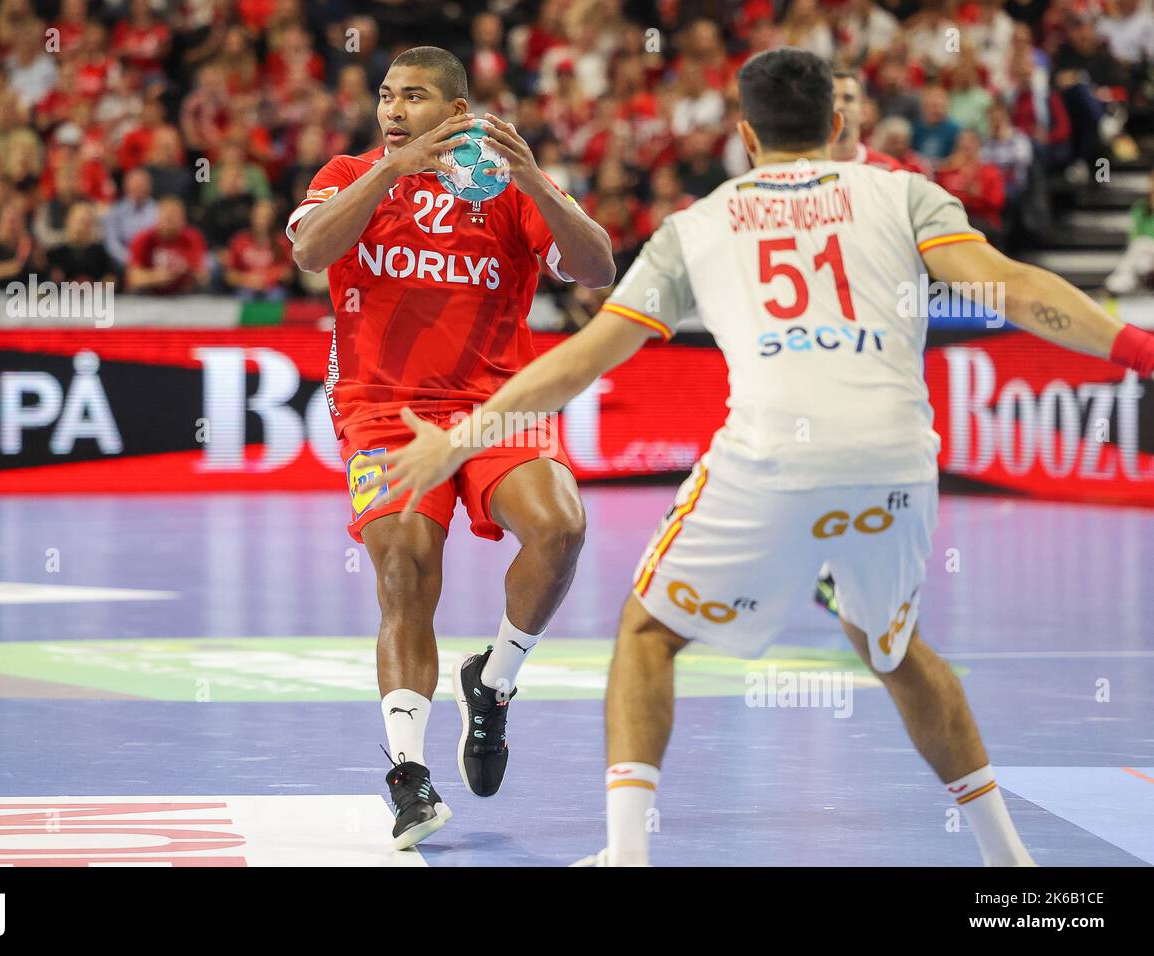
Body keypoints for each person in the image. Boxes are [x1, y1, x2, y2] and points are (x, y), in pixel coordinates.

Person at [374, 48, 1154, 867]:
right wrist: (1136, 346)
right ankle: (1012, 865)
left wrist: (461, 439)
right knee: (893, 649)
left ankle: (628, 857)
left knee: (645, 636)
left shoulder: (702, 224)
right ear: (841, 125)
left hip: (771, 460)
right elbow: (1012, 286)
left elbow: (582, 359)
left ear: (745, 134)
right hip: (898, 463)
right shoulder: (903, 194)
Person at [286, 45, 614, 850]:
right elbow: (310, 251)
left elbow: (598, 267)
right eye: (388, 96)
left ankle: (494, 682)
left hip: (498, 405)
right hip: (384, 409)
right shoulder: (346, 172)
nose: (393, 110)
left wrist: (537, 182)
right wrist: (389, 174)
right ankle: (408, 776)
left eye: (416, 97)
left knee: (563, 527)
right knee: (403, 567)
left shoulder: (503, 186)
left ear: (458, 114)